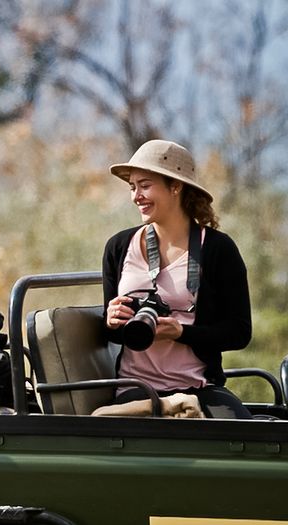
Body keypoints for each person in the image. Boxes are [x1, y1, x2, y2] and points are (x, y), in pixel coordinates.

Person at [102, 139, 253, 419]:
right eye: (133, 187)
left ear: (175, 186)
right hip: (135, 388)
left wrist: (182, 333)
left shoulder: (219, 249)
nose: (136, 196)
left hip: (200, 386)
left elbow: (240, 332)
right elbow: (111, 333)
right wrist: (111, 319)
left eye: (145, 185)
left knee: (241, 439)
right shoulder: (118, 246)